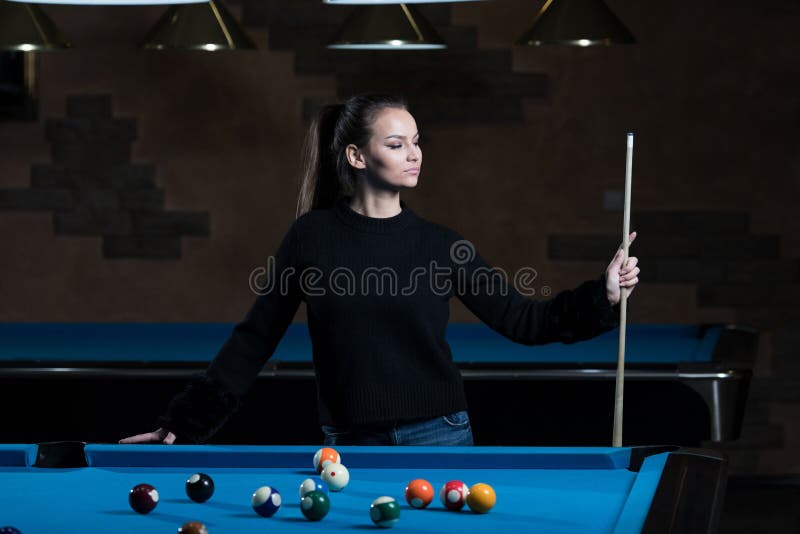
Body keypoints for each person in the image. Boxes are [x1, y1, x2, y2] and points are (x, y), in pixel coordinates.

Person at [120, 94, 640, 447]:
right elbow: (254, 338)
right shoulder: (311, 237)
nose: (414, 155)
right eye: (396, 145)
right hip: (347, 442)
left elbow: (527, 321)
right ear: (357, 156)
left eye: (416, 142)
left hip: (440, 436)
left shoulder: (443, 246)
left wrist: (605, 294)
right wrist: (181, 425)